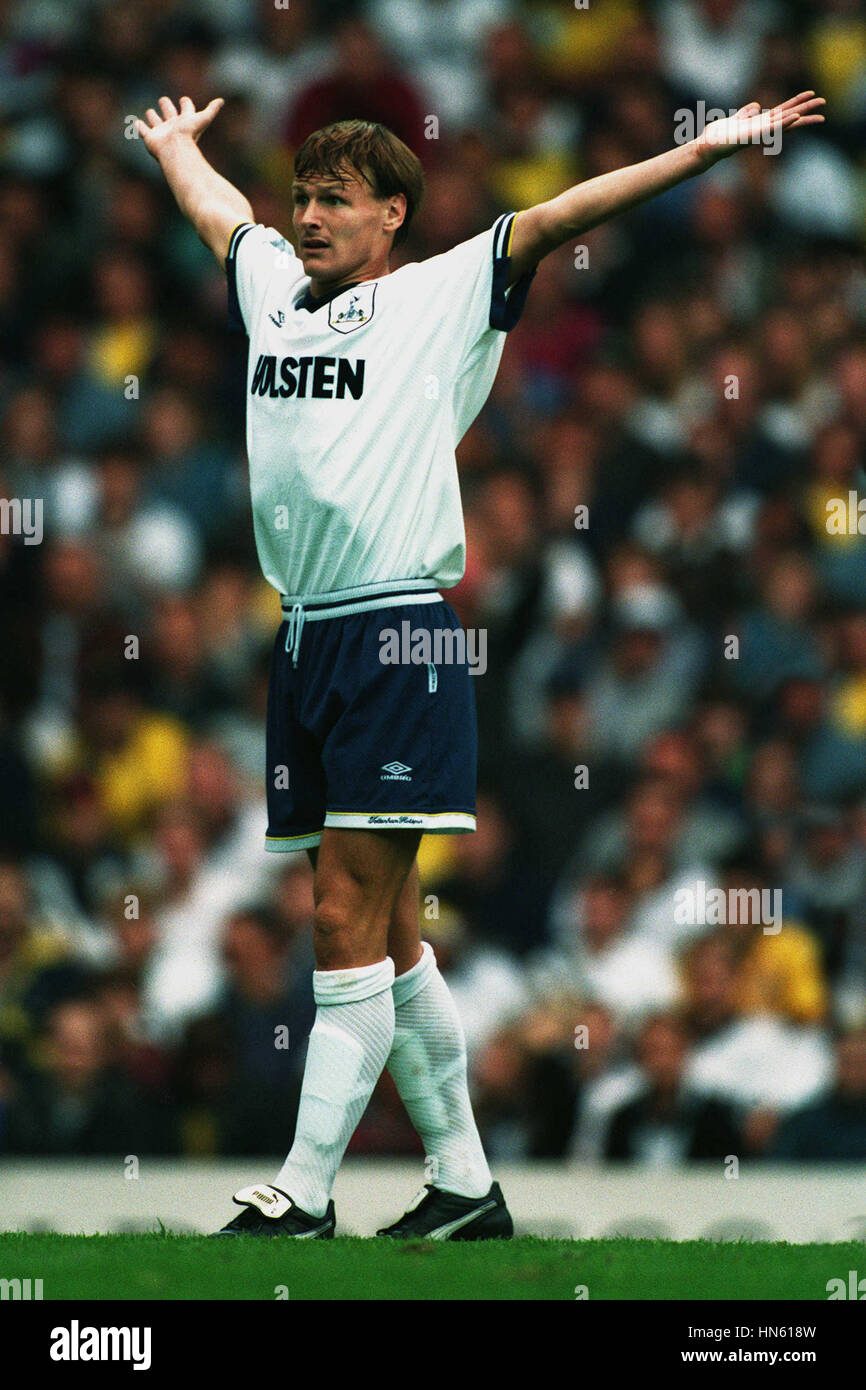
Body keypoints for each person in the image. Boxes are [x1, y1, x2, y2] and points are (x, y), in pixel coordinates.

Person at [135, 86, 825, 1239]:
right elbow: (221, 218)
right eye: (301, 195)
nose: (307, 216)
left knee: (341, 908)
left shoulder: (438, 294)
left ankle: (301, 1191)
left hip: (396, 631)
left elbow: (557, 215)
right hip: (303, 634)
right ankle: (464, 1183)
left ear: (392, 214)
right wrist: (174, 152)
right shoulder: (268, 288)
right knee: (390, 930)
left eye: (335, 201)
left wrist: (699, 151)